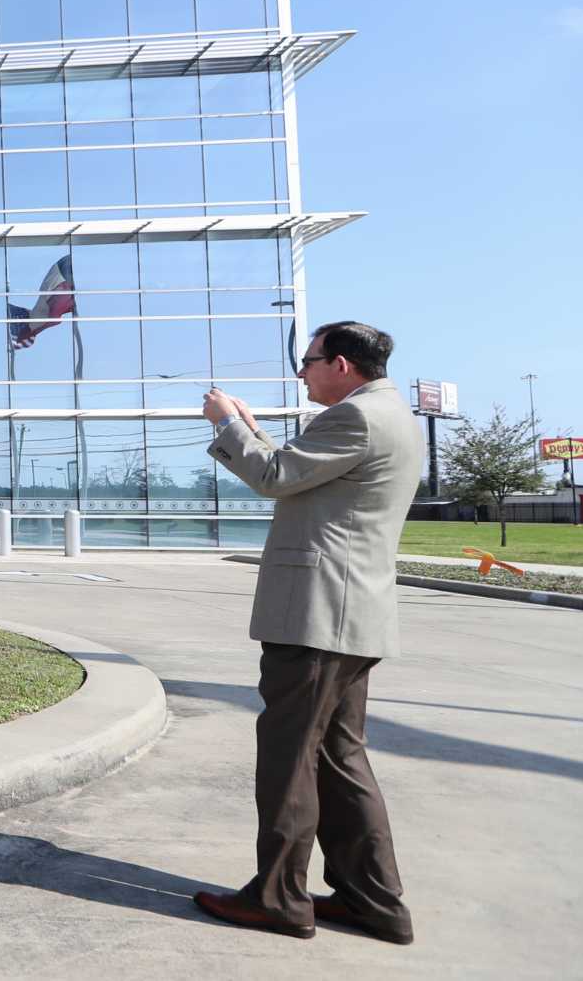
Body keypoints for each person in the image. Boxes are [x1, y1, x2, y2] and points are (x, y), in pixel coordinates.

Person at [192, 321, 424, 945]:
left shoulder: (356, 419)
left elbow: (271, 478)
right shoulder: (388, 414)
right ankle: (372, 901)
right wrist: (248, 430)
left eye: (309, 361)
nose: (303, 372)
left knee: (292, 757)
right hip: (350, 616)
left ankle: (278, 899)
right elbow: (290, 470)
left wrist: (225, 423)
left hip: (320, 617)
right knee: (337, 758)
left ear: (342, 365)